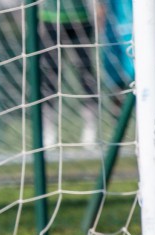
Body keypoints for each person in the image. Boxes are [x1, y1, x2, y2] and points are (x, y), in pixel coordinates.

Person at [38, 0, 99, 148]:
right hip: (50, 19)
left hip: (80, 19)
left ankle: (91, 127)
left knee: (86, 74)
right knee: (50, 76)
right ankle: (48, 130)